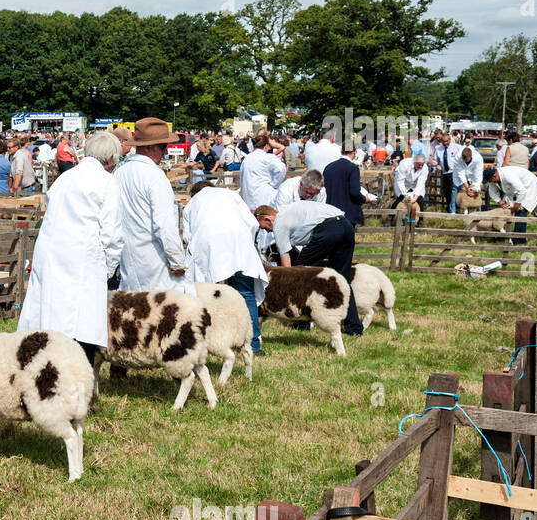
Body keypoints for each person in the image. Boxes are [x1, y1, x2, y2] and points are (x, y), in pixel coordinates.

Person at [17, 131, 123, 366]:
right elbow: (113, 233)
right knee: (82, 322)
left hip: (52, 254)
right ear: (110, 160)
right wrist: (108, 270)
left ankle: (43, 372)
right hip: (82, 258)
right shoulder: (107, 182)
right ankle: (78, 384)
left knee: (50, 314)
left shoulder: (64, 178)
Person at [181, 181, 267, 354]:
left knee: (205, 294)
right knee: (246, 293)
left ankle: (206, 341)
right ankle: (253, 344)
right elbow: (252, 223)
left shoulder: (192, 204)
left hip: (208, 245)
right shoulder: (231, 195)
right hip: (238, 243)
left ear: (194, 193)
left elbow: (187, 236)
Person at [255, 201, 364, 336]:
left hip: (327, 230)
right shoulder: (291, 210)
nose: (268, 231)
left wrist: (286, 282)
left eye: (265, 227)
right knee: (343, 279)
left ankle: (301, 322)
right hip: (346, 227)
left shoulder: (279, 223)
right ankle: (354, 328)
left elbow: (286, 263)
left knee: (300, 276)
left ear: (267, 218)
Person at [115, 117, 188, 293]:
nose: (165, 152)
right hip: (157, 266)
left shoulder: (120, 173)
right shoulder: (154, 176)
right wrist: (178, 262)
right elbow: (164, 225)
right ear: (149, 147)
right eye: (163, 147)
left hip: (130, 262)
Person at [485, 164, 537, 245]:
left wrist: (516, 206)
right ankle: (501, 237)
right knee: (505, 212)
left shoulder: (508, 176)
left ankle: (519, 241)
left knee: (521, 212)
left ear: (494, 176)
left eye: (490, 180)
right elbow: (491, 192)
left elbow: (522, 191)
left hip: (530, 187)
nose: (490, 182)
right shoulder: (494, 178)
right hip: (516, 190)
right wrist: (501, 202)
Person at [323, 156, 370, 228]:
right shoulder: (353, 168)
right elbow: (355, 192)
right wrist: (364, 199)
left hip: (330, 212)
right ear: (354, 152)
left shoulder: (328, 167)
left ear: (341, 151)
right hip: (347, 213)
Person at [451, 143, 485, 212]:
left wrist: (476, 187)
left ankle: (479, 212)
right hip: (458, 174)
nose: (464, 161)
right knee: (455, 190)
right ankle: (453, 211)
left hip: (473, 174)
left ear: (471, 156)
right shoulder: (458, 157)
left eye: (466, 159)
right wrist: (467, 187)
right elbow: (460, 172)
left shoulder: (478, 158)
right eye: (463, 159)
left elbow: (478, 174)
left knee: (476, 193)